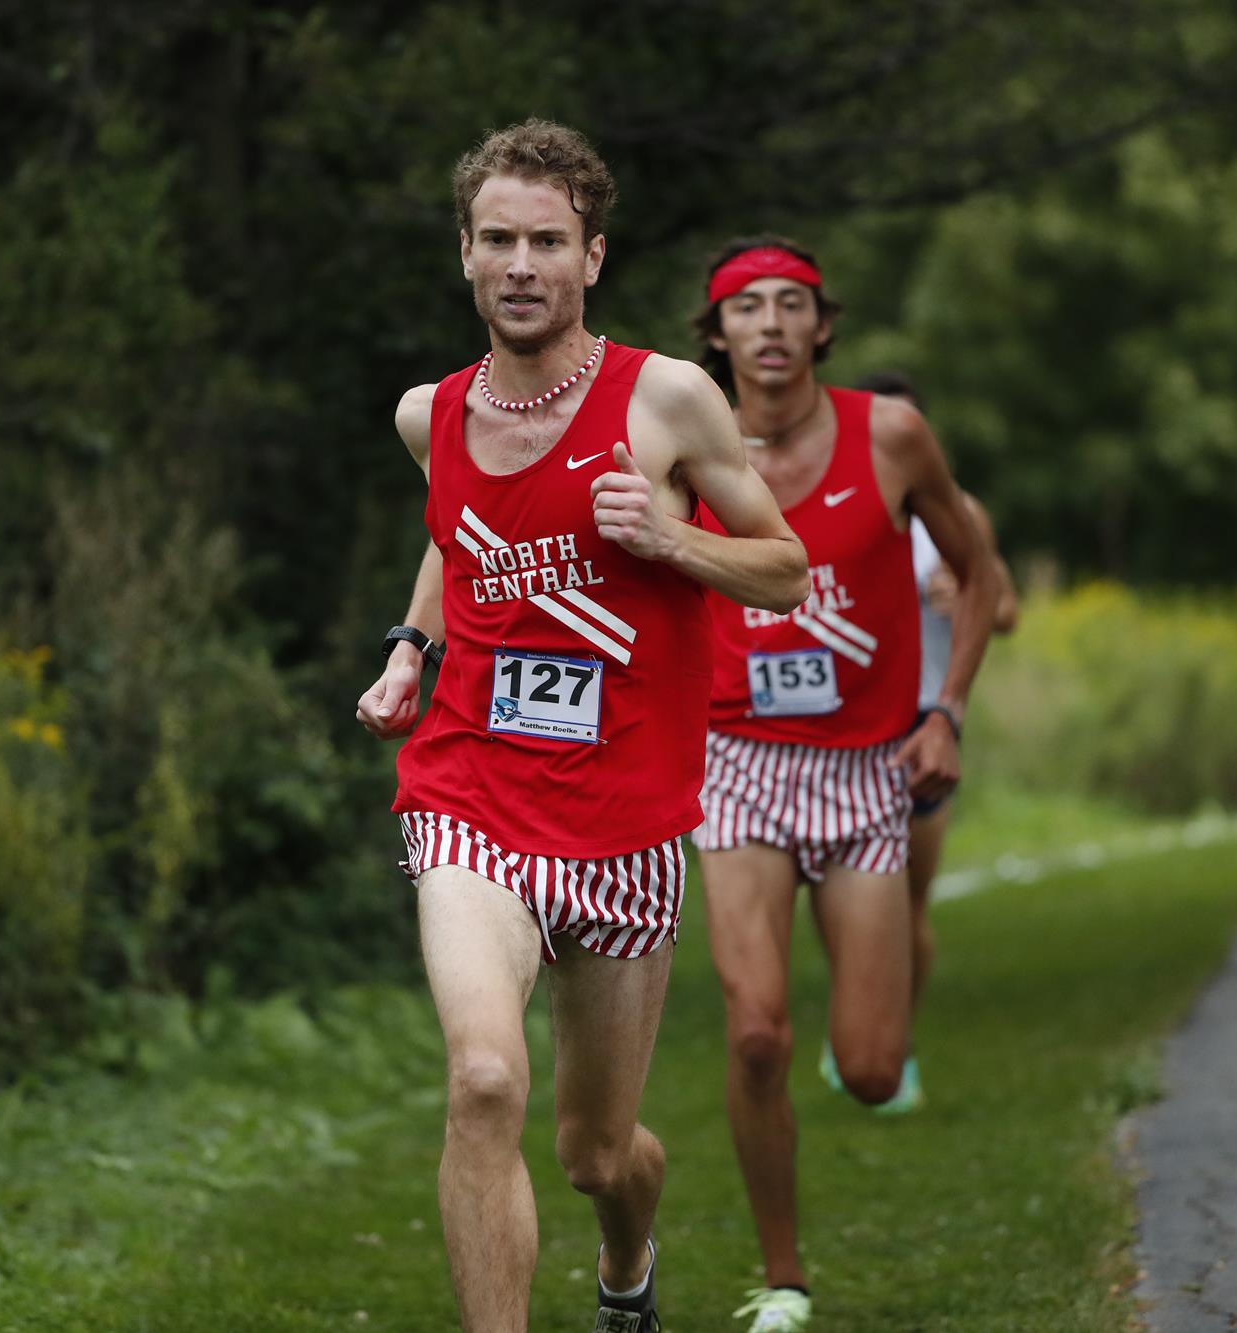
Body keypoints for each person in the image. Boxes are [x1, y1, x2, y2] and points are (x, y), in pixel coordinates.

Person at [355, 123, 809, 1333]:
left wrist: (665, 538)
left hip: (623, 818)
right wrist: (412, 648)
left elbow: (783, 570)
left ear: (590, 257)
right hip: (472, 791)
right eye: (496, 239)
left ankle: (626, 1265)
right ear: (463, 255)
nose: (519, 263)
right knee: (485, 1077)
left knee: (596, 1155)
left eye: (545, 241)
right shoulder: (425, 415)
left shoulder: (665, 400)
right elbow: (462, 536)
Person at [686, 237, 998, 1332]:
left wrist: (942, 710)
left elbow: (978, 574)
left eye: (791, 307)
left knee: (868, 1071)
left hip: (865, 770)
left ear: (822, 329)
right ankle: (783, 1276)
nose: (768, 324)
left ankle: (863, 1034)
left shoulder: (891, 434)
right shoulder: (681, 442)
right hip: (732, 763)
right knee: (756, 1031)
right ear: (715, 335)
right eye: (744, 308)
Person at [855, 370, 1019, 1107]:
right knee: (858, 904)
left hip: (924, 725)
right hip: (848, 730)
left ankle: (899, 1042)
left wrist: (962, 597)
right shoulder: (839, 507)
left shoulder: (958, 513)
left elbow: (1005, 605)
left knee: (909, 902)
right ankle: (860, 1028)